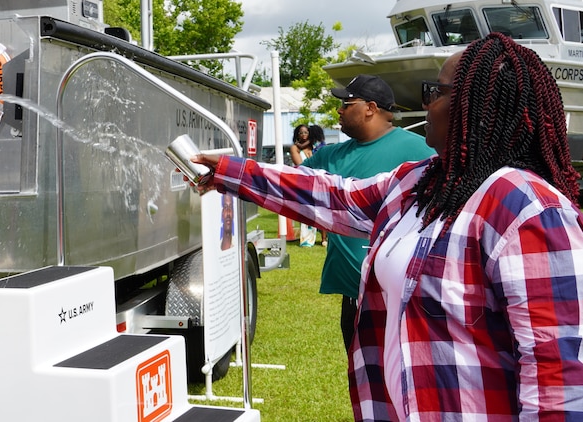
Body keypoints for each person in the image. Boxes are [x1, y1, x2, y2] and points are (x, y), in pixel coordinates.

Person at [186, 33, 583, 419]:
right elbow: (332, 196)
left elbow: (558, 376)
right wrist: (227, 172)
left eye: (434, 92)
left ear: (475, 105)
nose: (424, 106)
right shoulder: (423, 181)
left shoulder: (528, 209)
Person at [303, 74, 434, 350]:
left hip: (401, 300)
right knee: (362, 387)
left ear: (371, 108)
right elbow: (287, 184)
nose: (339, 110)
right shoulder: (330, 156)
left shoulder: (419, 150)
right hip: (353, 299)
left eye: (347, 103)